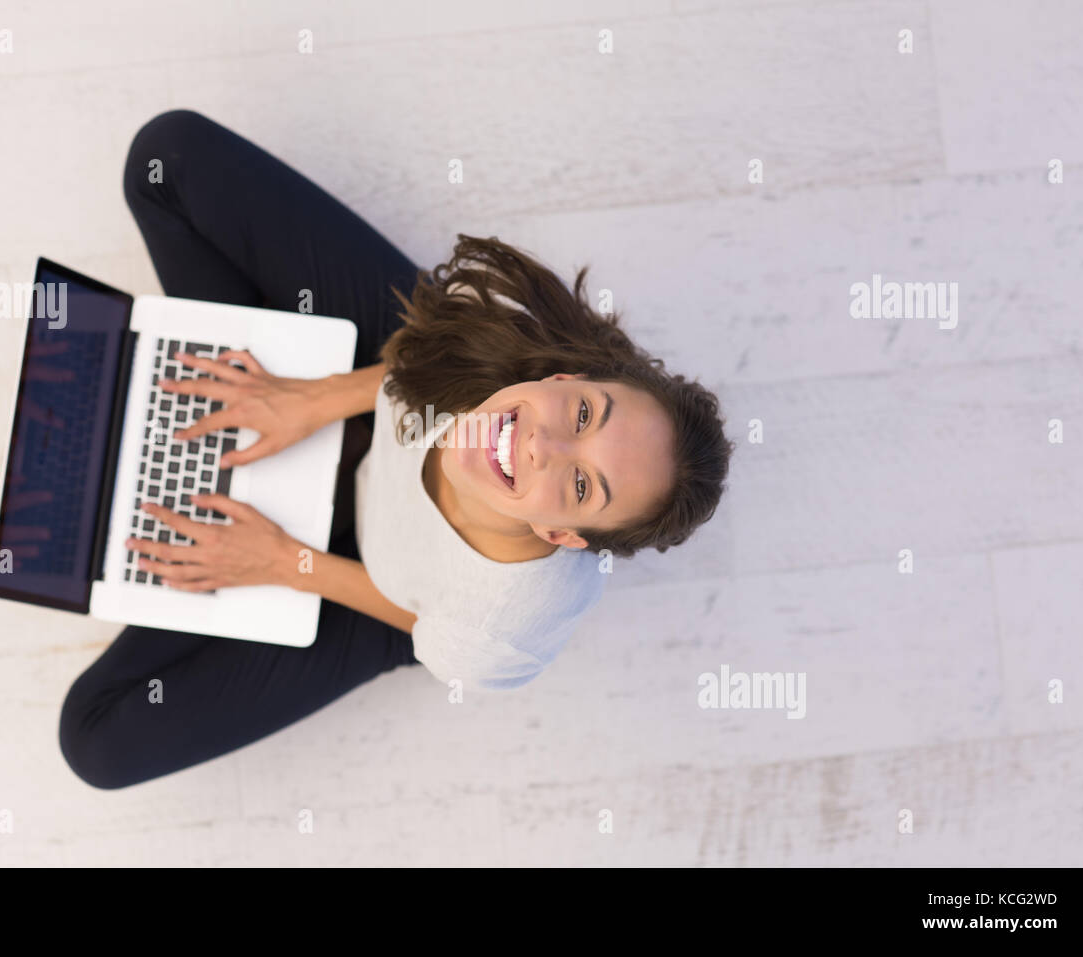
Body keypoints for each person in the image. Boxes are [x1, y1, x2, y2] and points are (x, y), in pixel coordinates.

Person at [59, 110, 733, 789]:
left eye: (583, 485)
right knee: (165, 161)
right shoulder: (511, 347)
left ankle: (234, 411)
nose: (543, 442)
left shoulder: (502, 631)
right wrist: (313, 397)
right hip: (401, 372)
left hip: (382, 586)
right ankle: (243, 393)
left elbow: (419, 622)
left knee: (97, 739)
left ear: (562, 532)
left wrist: (281, 560)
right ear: (568, 377)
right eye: (585, 412)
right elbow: (416, 368)